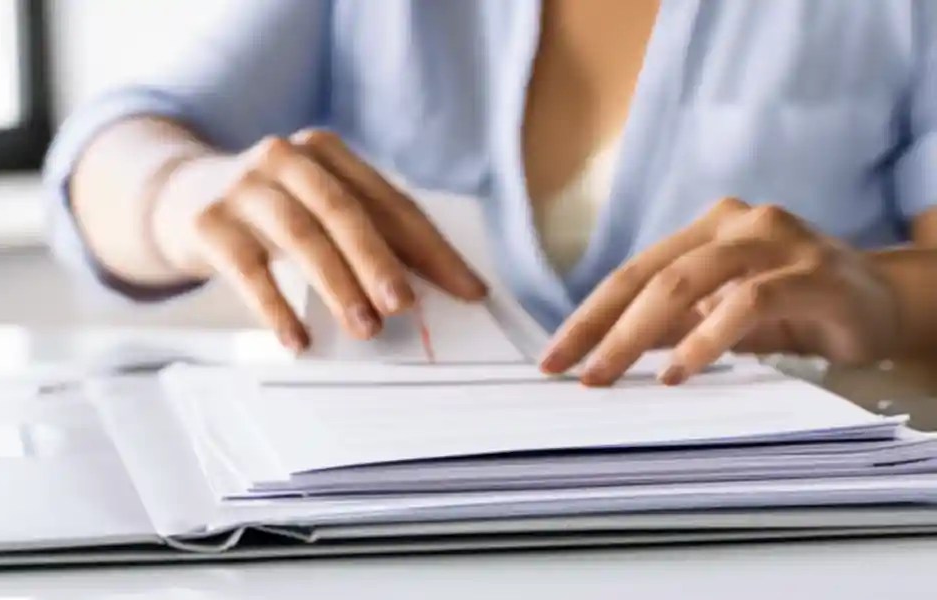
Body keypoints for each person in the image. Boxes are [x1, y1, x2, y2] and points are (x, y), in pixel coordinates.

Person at [45, 0, 937, 387]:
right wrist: (182, 193)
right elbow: (111, 148)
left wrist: (881, 298)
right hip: (408, 577)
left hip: (807, 562)